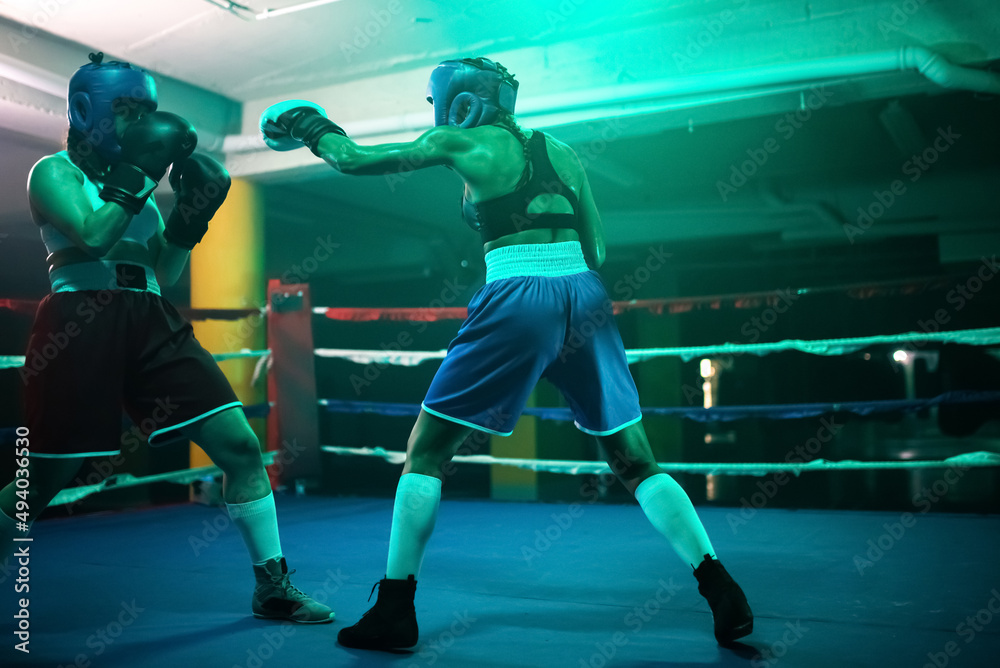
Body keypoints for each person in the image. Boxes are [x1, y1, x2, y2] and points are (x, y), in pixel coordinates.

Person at [260, 57, 752, 646]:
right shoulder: (563, 151)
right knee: (634, 457)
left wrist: (310, 123)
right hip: (585, 293)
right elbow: (596, 246)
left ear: (457, 101)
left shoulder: (454, 140)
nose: (433, 113)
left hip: (518, 294)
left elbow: (353, 161)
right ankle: (719, 585)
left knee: (426, 451)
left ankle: (394, 611)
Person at [0, 53, 333, 624]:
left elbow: (166, 270)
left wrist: (189, 219)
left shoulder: (142, 189)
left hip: (152, 316)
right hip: (82, 317)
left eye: (145, 112)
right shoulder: (54, 172)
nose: (138, 123)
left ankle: (273, 586)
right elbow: (97, 236)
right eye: (125, 110)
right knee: (46, 477)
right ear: (89, 112)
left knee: (239, 446)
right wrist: (142, 174)